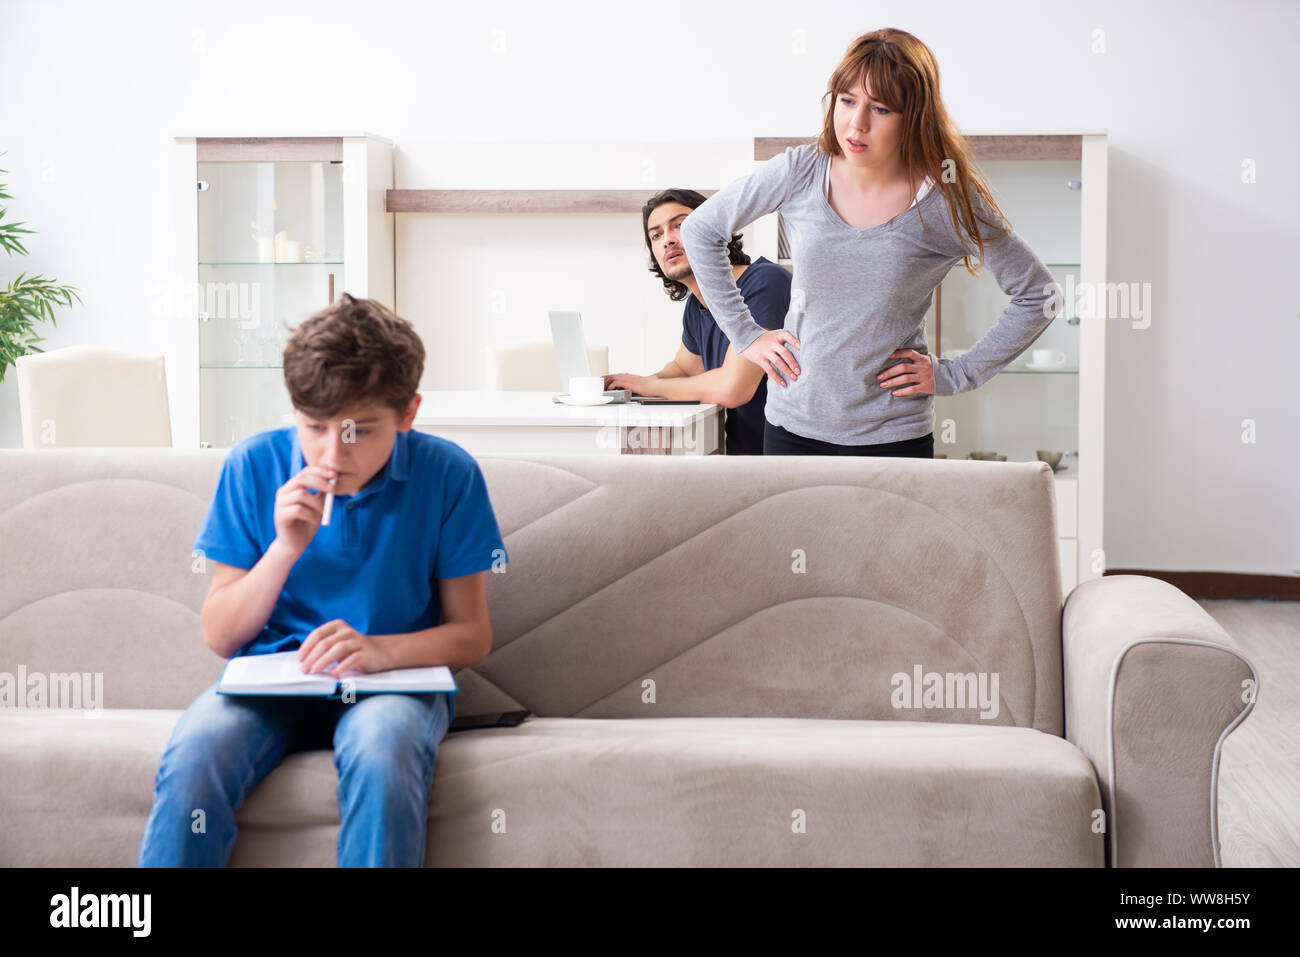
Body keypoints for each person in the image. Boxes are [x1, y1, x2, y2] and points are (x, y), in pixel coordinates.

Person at [138, 293, 508, 867]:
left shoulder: (448, 474)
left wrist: (379, 651)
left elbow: (471, 634)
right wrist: (284, 548)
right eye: (314, 427)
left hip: (394, 685)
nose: (333, 451)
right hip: (270, 685)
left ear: (407, 414)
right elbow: (220, 635)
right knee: (196, 753)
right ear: (294, 409)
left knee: (383, 749)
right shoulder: (253, 465)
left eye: (359, 430)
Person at [679, 28, 1061, 458]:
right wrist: (746, 335)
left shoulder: (946, 199)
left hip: (893, 436)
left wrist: (958, 374)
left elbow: (1039, 294)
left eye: (880, 108)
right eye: (847, 100)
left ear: (914, 116)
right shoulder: (801, 171)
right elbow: (700, 231)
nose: (856, 124)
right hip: (791, 425)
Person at [603, 188, 792, 455]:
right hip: (746, 461)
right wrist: (628, 386)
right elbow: (683, 369)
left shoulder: (765, 283)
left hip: (792, 462)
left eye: (679, 226)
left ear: (713, 229)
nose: (667, 240)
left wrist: (650, 386)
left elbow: (733, 388)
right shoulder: (697, 305)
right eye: (656, 235)